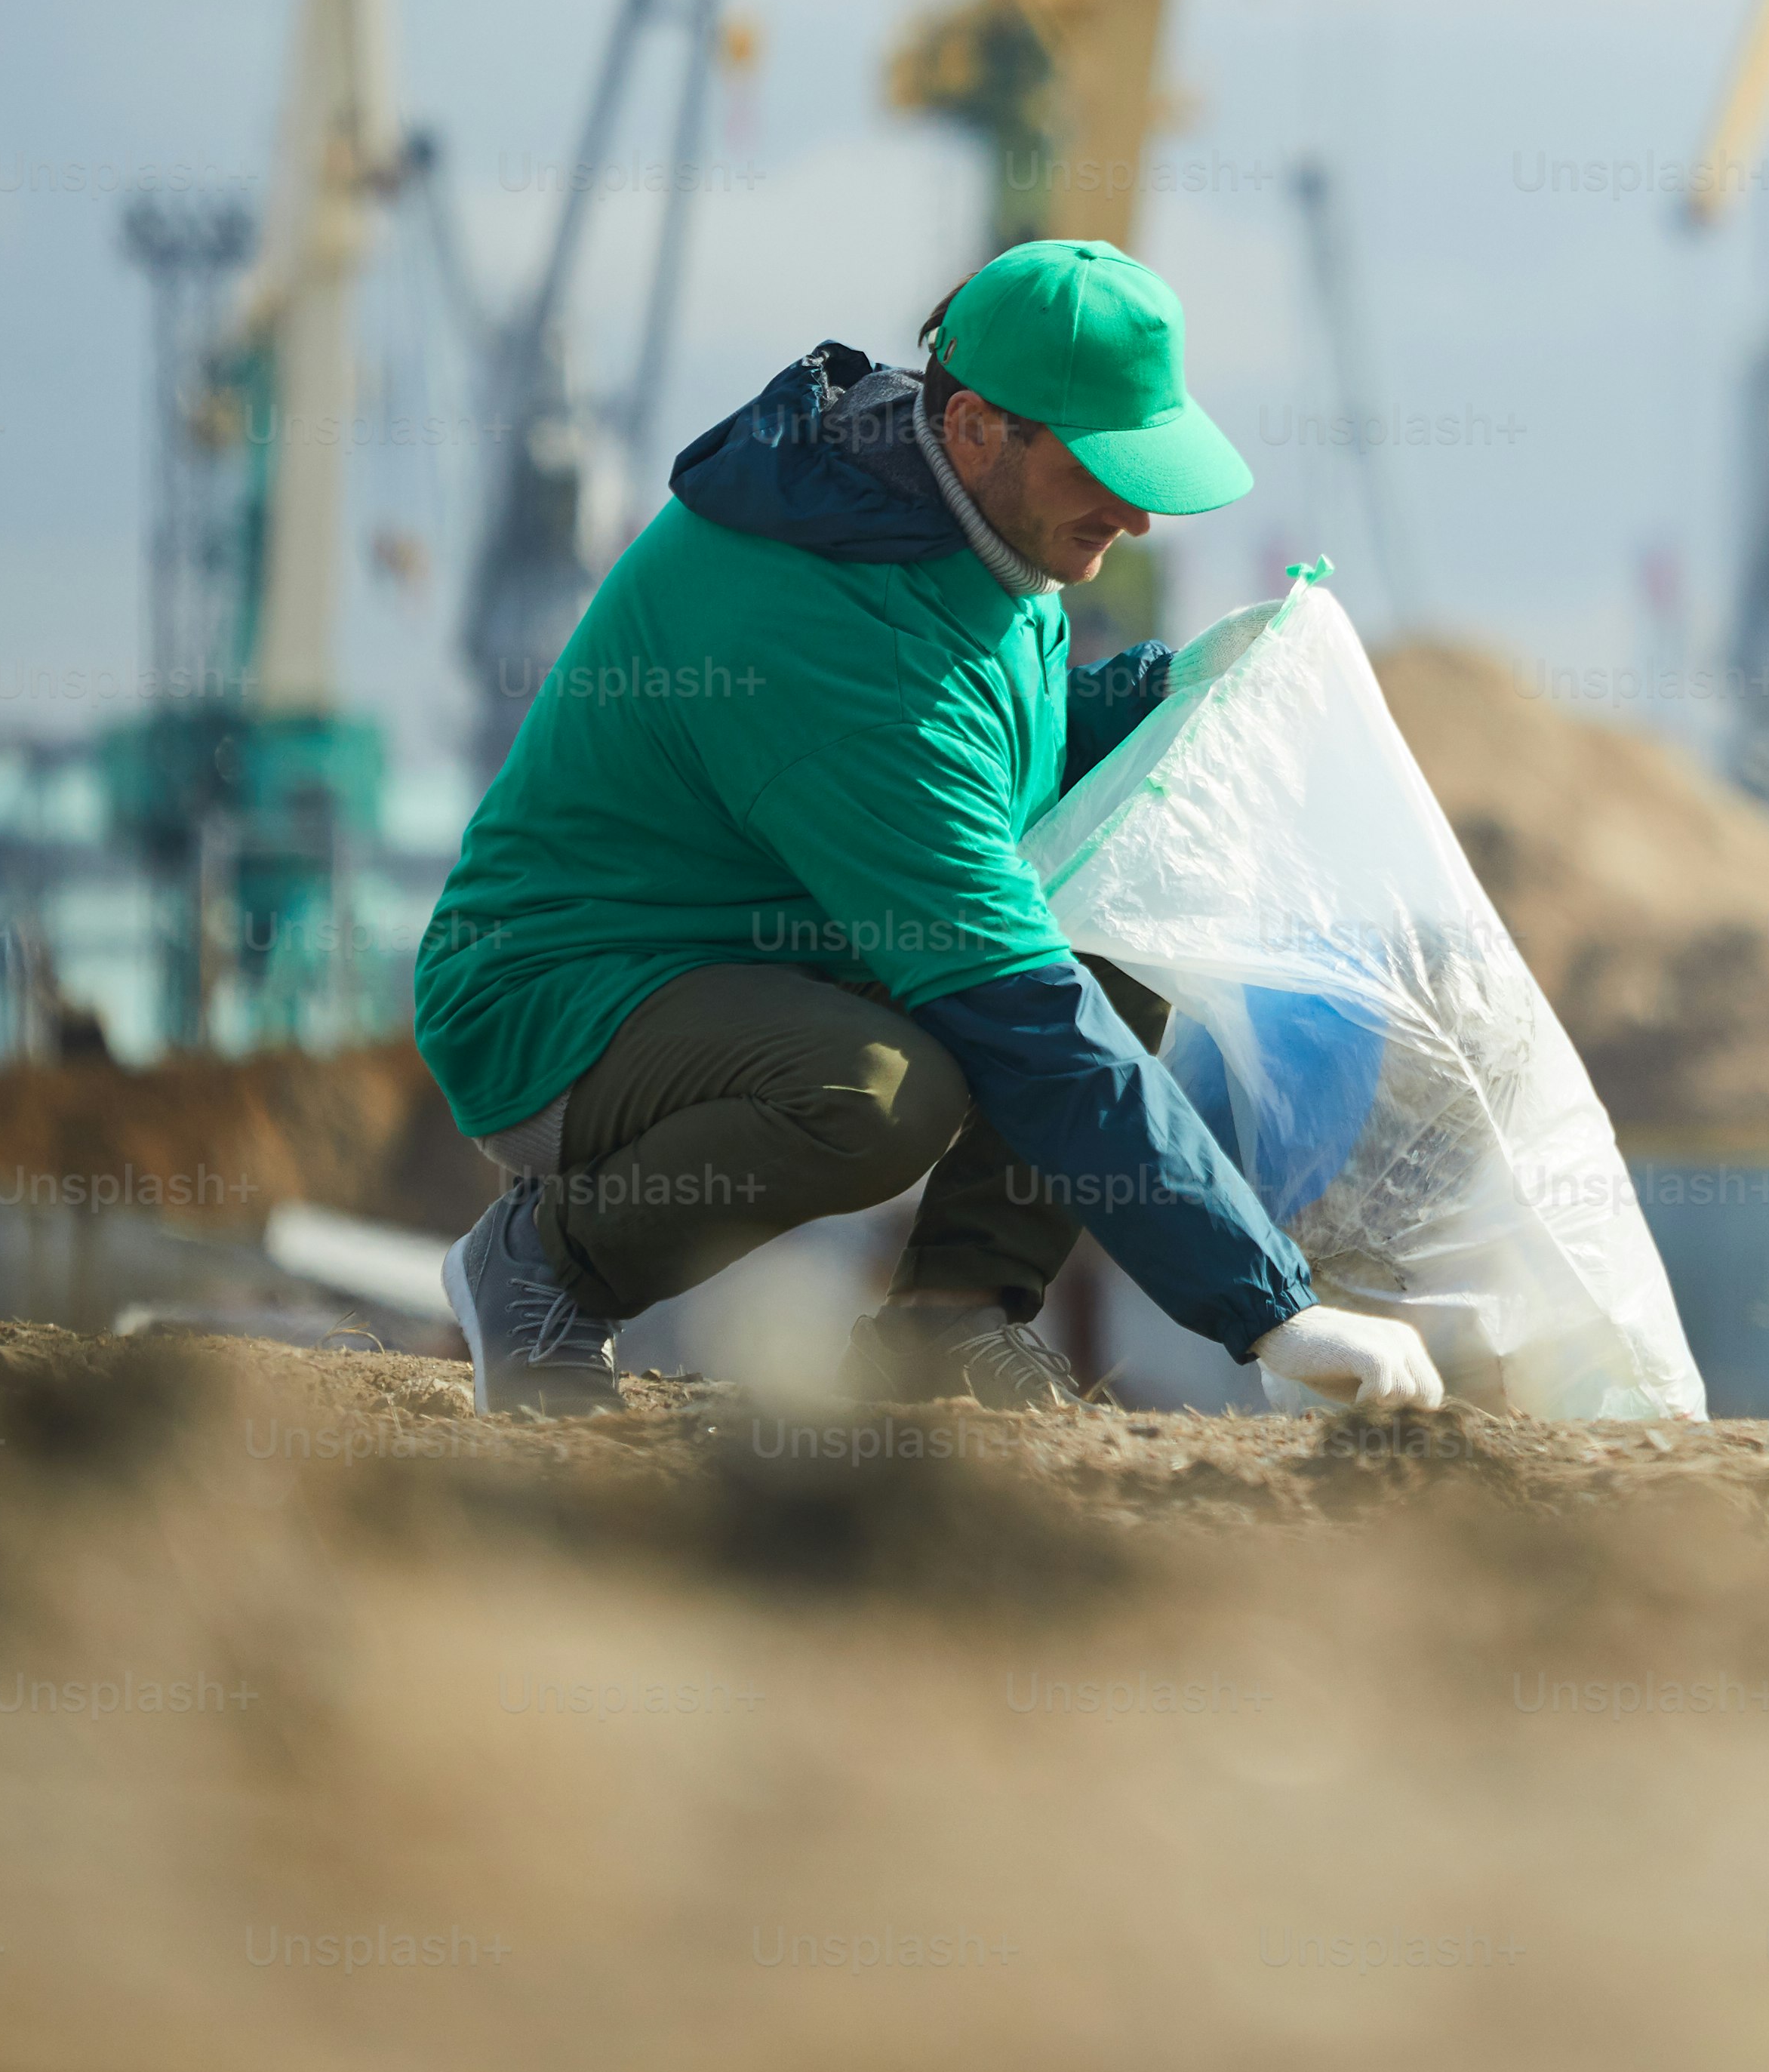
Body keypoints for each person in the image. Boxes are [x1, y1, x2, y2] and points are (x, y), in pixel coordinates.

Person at [409, 238, 1446, 1422]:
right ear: (973, 431)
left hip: (771, 942)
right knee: (879, 1093)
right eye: (1108, 465)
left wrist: (1172, 691)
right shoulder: (835, 641)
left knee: (1125, 890)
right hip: (560, 1000)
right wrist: (1269, 1309)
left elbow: (1006, 768)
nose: (1143, 514)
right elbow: (1022, 1011)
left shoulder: (962, 538)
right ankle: (545, 1263)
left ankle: (946, 1326)